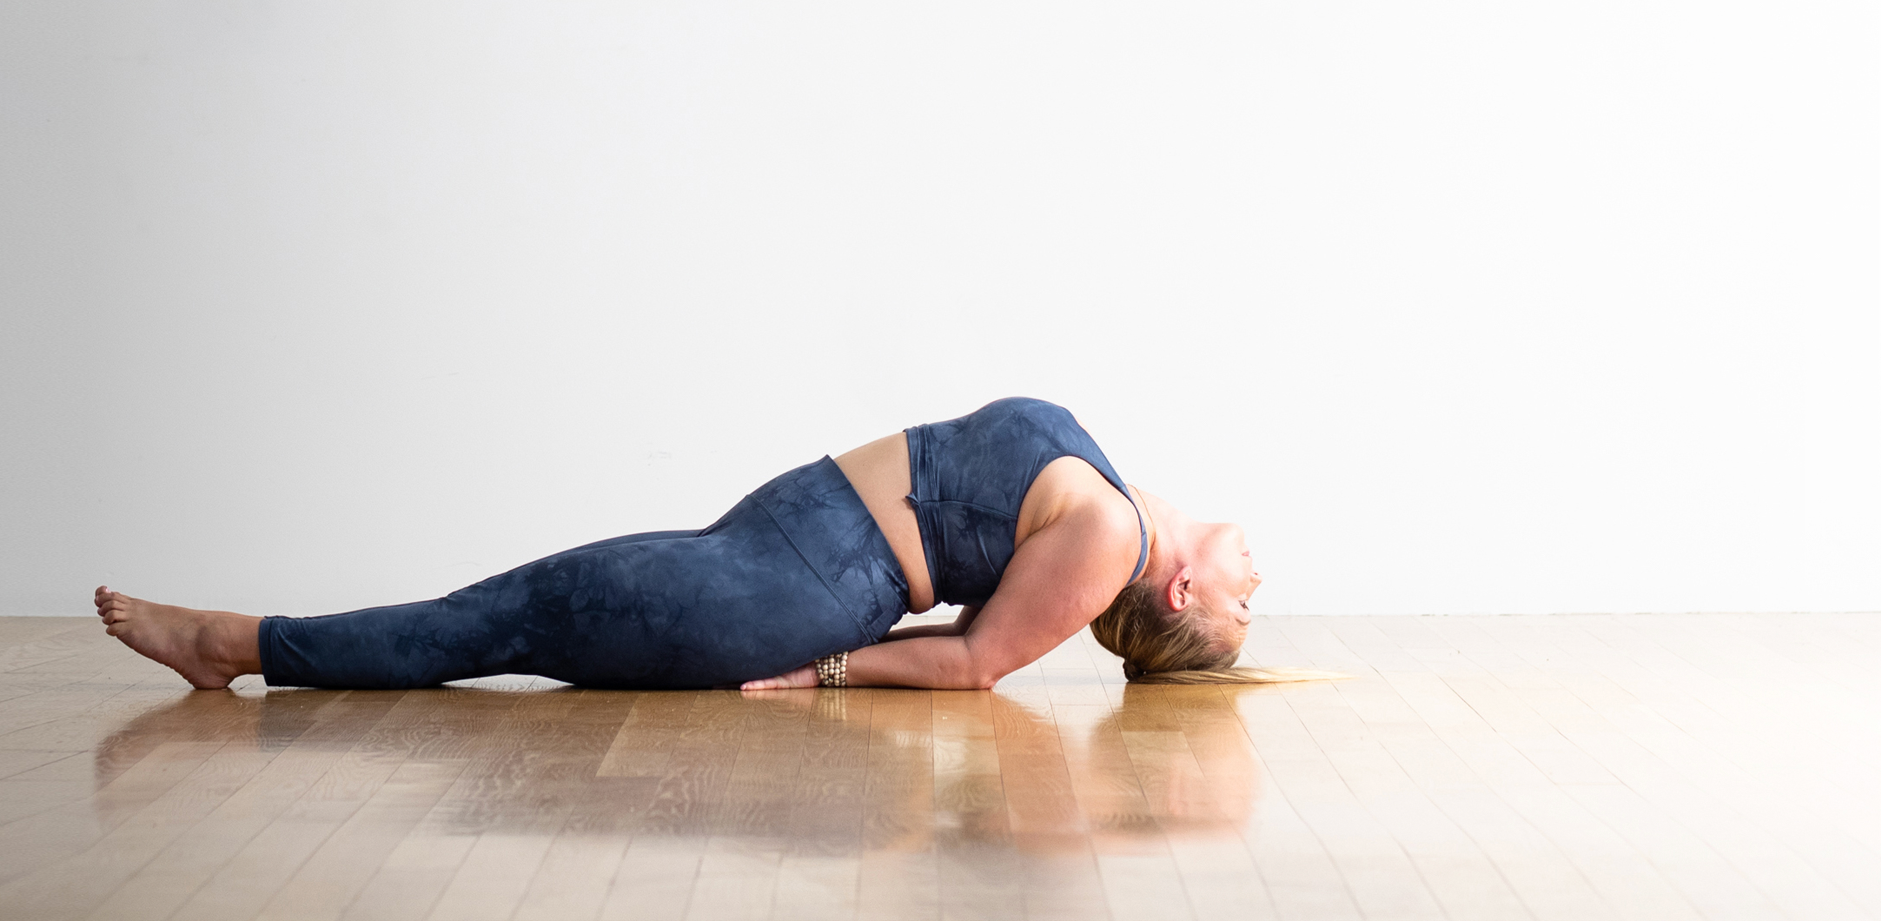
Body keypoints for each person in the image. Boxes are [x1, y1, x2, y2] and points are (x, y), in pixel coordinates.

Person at [95, 396, 1292, 690]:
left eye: (1244, 607)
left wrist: (823, 671)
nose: (1259, 586)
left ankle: (235, 642)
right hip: (785, 536)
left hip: (792, 588)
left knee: (513, 614)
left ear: (1181, 592)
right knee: (521, 603)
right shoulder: (1116, 498)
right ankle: (245, 641)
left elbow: (975, 664)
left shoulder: (1109, 546)